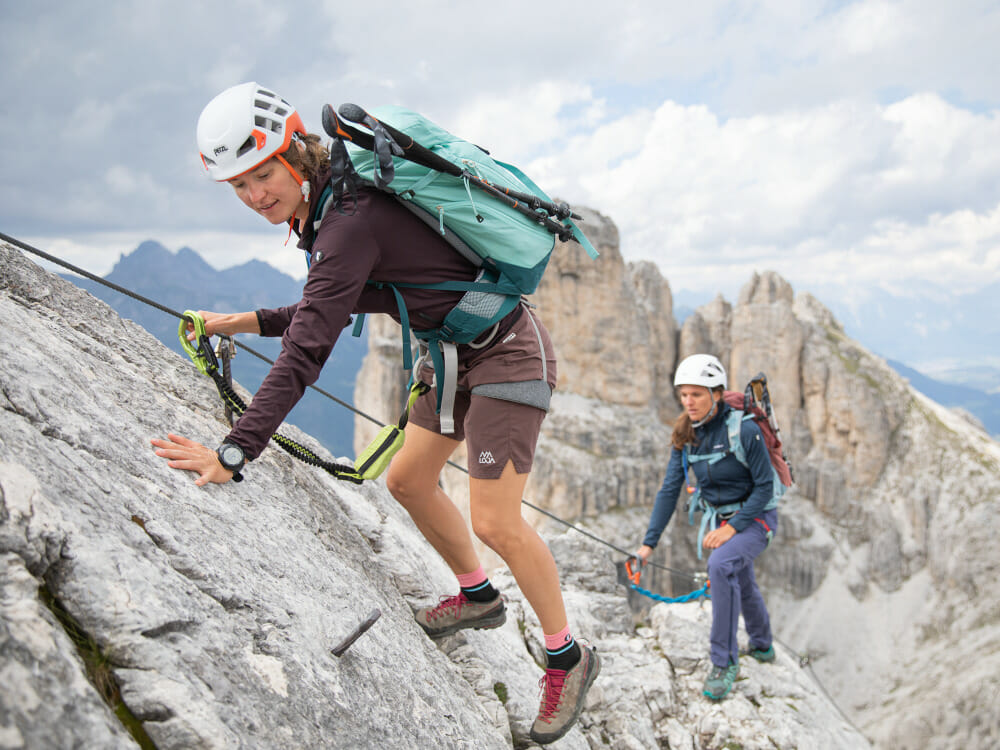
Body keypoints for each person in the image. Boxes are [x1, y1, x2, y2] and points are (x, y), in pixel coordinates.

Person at [150, 82, 598, 744]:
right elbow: (334, 305)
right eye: (238, 186)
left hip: (507, 353)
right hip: (449, 356)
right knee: (409, 482)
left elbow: (308, 349)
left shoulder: (348, 219)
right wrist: (240, 322)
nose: (255, 196)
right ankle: (480, 598)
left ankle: (568, 657)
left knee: (497, 520)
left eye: (262, 173)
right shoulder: (335, 208)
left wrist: (234, 451)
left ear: (295, 149)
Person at [635, 354, 777, 701]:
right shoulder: (686, 435)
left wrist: (733, 528)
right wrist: (648, 544)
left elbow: (765, 488)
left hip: (757, 517)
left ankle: (724, 662)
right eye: (684, 394)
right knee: (741, 578)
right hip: (723, 519)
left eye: (696, 394)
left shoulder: (744, 429)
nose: (688, 402)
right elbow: (670, 490)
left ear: (716, 393)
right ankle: (763, 645)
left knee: (722, 565)